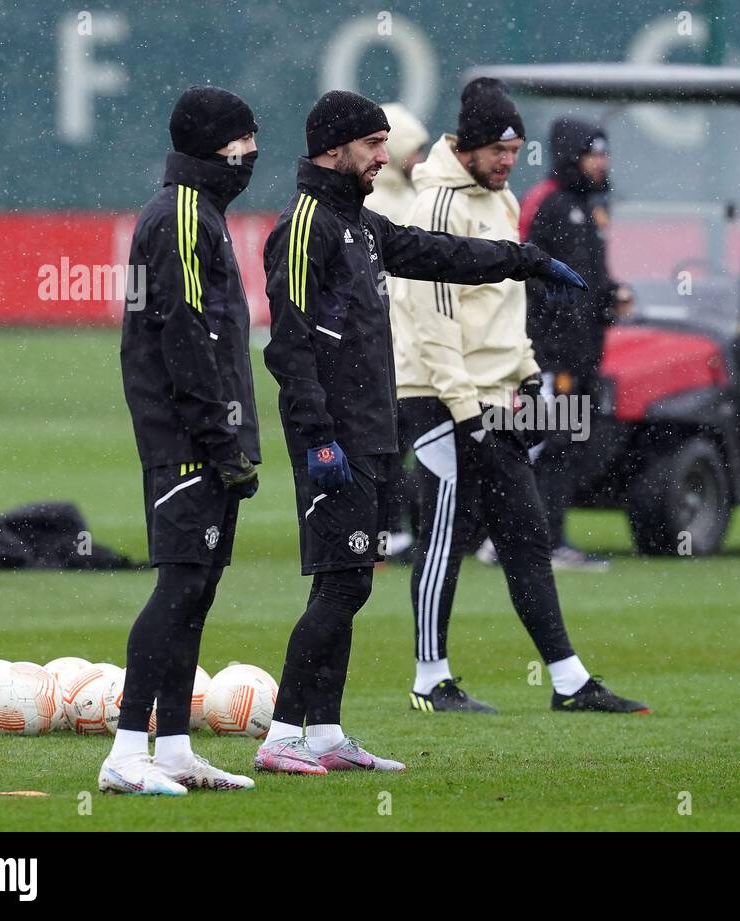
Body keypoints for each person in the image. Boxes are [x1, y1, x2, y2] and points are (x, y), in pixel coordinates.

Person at [253, 89, 592, 774]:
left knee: (348, 584)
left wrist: (521, 259)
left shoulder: (364, 225)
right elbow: (288, 348)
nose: (386, 156)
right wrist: (318, 437)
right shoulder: (304, 226)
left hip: (375, 436)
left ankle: (324, 734)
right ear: (334, 148)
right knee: (341, 586)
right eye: (374, 145)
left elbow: (441, 254)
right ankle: (282, 732)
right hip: (335, 443)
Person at [392, 78, 649, 715]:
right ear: (470, 145)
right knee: (444, 537)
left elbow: (508, 307)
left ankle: (568, 682)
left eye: (516, 151)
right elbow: (432, 320)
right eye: (499, 151)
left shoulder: (500, 199)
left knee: (526, 534)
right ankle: (429, 679)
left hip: (497, 394)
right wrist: (464, 408)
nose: (510, 162)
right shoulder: (436, 209)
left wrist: (527, 372)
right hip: (440, 397)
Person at [103, 86, 262, 796]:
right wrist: (222, 440)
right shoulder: (183, 216)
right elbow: (188, 337)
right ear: (215, 145)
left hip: (202, 435)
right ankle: (125, 750)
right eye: (244, 141)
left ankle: (171, 747)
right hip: (188, 440)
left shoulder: (198, 212)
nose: (253, 154)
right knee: (177, 587)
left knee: (197, 588)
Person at [522, 118, 632, 571]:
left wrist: (612, 296)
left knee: (564, 444)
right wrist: (553, 340)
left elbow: (588, 280)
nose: (601, 163)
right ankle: (544, 541)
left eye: (603, 154)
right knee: (550, 443)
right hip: (551, 355)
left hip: (583, 351)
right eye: (593, 154)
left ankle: (518, 538)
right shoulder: (549, 205)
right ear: (571, 157)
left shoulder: (588, 206)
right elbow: (538, 282)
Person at [365, 102, 431, 560]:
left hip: (404, 349)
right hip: (389, 348)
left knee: (394, 445)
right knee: (390, 446)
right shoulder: (384, 206)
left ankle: (392, 528)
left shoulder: (403, 202)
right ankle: (392, 529)